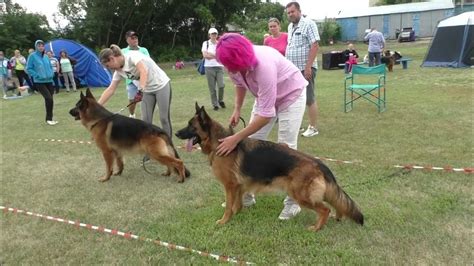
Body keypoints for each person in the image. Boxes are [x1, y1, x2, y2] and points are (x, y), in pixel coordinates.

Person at [215, 33, 308, 220]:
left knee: (285, 148)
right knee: (250, 147)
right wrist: (237, 109)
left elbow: (266, 115)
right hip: (265, 98)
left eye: (229, 65)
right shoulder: (234, 66)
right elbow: (239, 84)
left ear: (239, 58)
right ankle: (246, 196)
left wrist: (235, 138)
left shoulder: (264, 65)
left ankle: (293, 203)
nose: (227, 69)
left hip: (291, 95)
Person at [98, 45, 173, 138]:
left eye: (108, 66)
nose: (110, 69)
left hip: (161, 86)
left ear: (112, 59)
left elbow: (143, 71)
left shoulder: (132, 57)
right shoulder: (118, 71)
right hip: (146, 90)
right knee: (145, 121)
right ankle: (148, 149)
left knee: (164, 118)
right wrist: (96, 106)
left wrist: (140, 91)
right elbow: (111, 89)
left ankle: (168, 145)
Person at [286, 1, 320, 138]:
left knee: (309, 98)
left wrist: (308, 67)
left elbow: (315, 45)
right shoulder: (290, 26)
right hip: (293, 70)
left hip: (305, 68)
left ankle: (313, 127)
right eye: (288, 13)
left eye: (292, 12)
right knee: (294, 98)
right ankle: (297, 124)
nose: (290, 15)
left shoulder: (309, 24)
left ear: (299, 11)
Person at [26, 40, 58, 125]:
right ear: (36, 47)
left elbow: (50, 66)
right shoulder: (32, 56)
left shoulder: (46, 56)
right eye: (39, 46)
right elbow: (28, 68)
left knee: (50, 100)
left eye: (42, 46)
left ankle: (49, 118)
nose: (41, 47)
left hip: (49, 80)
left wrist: (51, 73)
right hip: (40, 81)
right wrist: (36, 75)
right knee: (49, 99)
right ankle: (49, 119)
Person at [122, 30, 150, 118]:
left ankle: (145, 116)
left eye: (136, 38)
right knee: (131, 100)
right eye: (132, 38)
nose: (135, 40)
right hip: (130, 81)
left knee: (145, 99)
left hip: (143, 79)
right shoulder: (123, 51)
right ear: (127, 40)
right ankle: (132, 114)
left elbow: (148, 63)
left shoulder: (143, 50)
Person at [202, 27, 225, 111]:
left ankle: (220, 100)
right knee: (212, 88)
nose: (214, 35)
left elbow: (221, 55)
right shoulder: (206, 43)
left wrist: (211, 55)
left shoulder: (220, 43)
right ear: (209, 35)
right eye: (212, 34)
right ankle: (215, 104)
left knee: (221, 85)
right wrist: (216, 56)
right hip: (209, 67)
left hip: (219, 67)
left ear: (217, 35)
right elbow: (205, 55)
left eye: (215, 34)